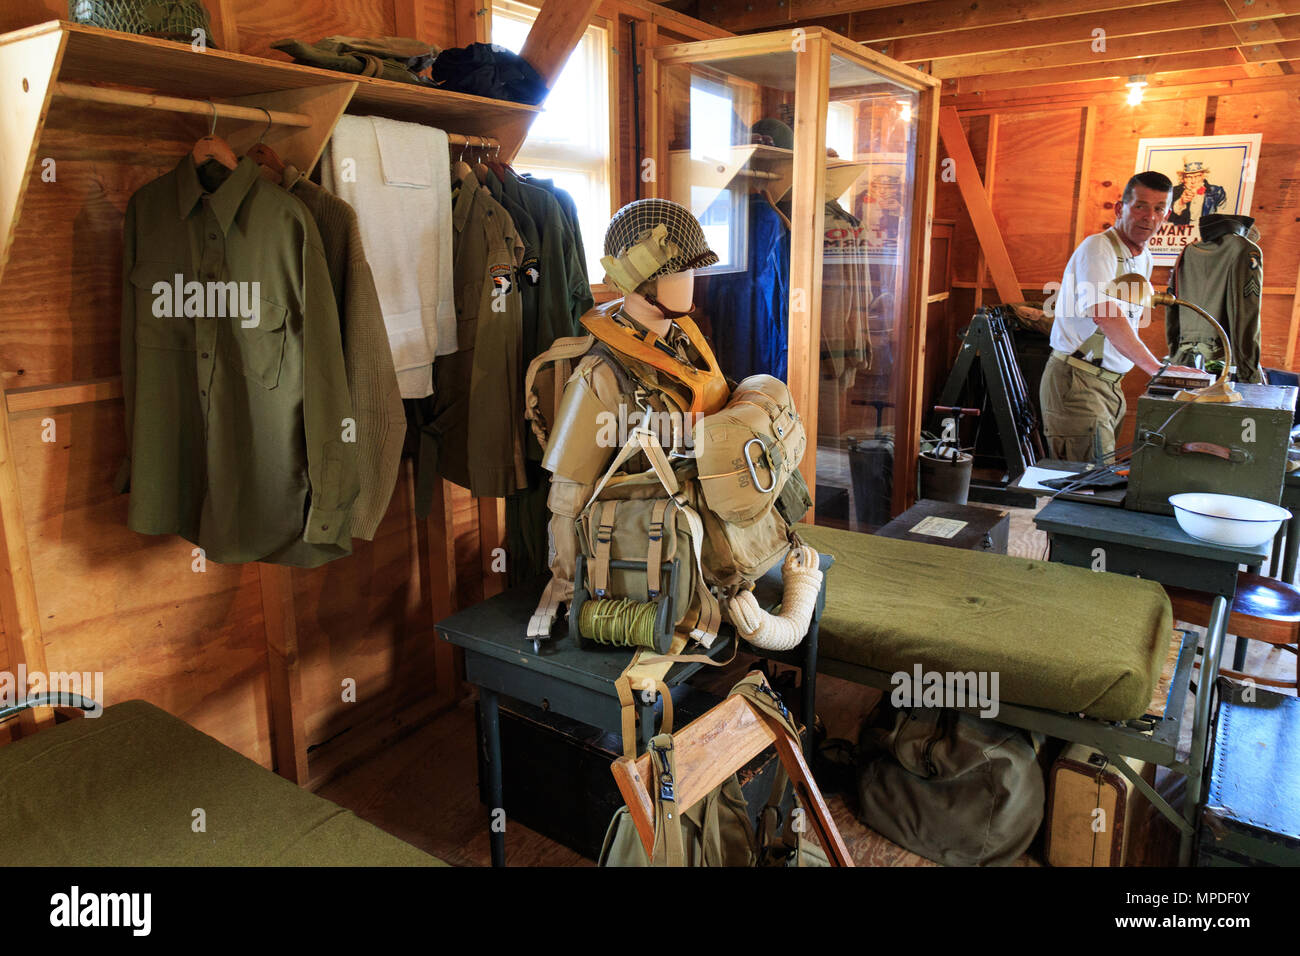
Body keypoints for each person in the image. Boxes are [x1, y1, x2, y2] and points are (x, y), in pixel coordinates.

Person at [1040, 171, 1200, 462]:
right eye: (1140, 206)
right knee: (1087, 479)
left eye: (1159, 209)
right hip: (1078, 382)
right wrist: (1157, 369)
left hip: (1111, 385)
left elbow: (1127, 319)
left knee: (1101, 475)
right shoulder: (1098, 248)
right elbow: (1106, 315)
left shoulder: (1144, 257)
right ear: (1119, 209)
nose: (1149, 217)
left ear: (1166, 215)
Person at [1168, 157, 1227, 225]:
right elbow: (1166, 219)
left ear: (1203, 176)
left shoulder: (1217, 192)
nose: (1193, 181)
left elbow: (1224, 217)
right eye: (1189, 177)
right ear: (1183, 178)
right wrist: (1181, 202)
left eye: (1197, 176)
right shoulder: (1173, 192)